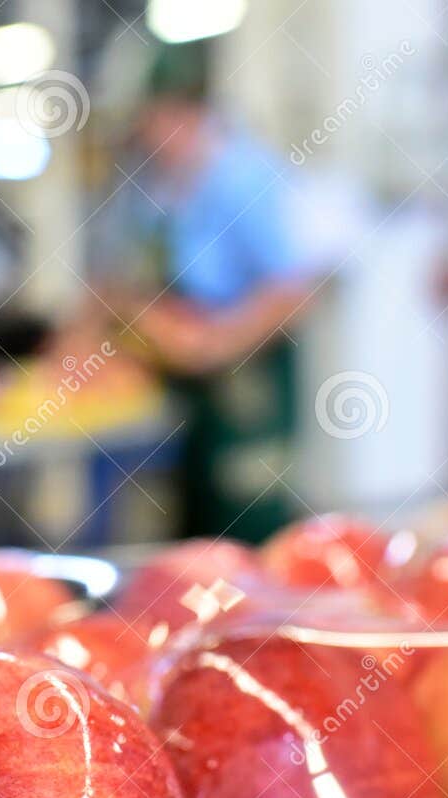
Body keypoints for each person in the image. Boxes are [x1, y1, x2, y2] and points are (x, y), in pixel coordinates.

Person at [81, 44, 315, 541]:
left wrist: (214, 344)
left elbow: (293, 290)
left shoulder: (244, 176)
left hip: (247, 387)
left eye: (152, 121)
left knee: (247, 524)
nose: (146, 136)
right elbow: (120, 280)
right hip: (186, 394)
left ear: (185, 113)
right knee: (191, 529)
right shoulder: (153, 183)